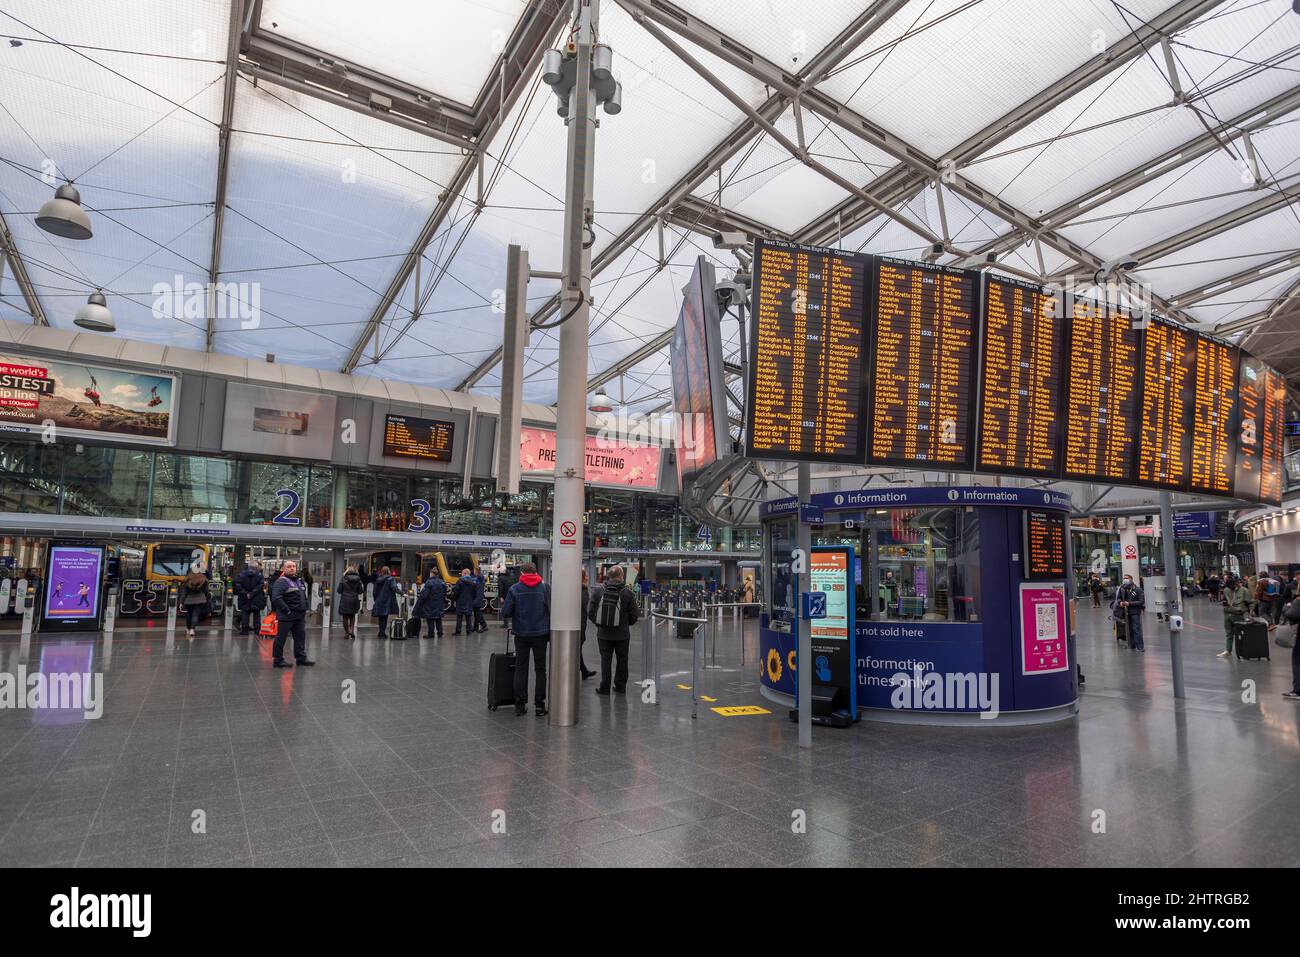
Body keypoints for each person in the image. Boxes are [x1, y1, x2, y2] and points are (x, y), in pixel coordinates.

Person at [500, 562, 550, 717]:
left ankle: (520, 705)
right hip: (541, 634)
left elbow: (505, 612)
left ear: (522, 573)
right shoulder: (545, 588)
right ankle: (540, 705)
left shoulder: (515, 589)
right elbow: (551, 608)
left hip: (521, 635)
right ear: (536, 572)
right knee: (540, 669)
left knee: (521, 669)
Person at [588, 564, 640, 695]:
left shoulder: (599, 591)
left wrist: (599, 623)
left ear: (608, 576)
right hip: (622, 635)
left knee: (605, 660)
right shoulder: (627, 593)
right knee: (622, 660)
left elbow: (591, 612)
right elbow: (634, 615)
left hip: (603, 634)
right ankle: (620, 686)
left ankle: (604, 687)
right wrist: (625, 623)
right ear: (621, 577)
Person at [270, 559, 313, 668]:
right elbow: (276, 598)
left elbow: (303, 595)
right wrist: (287, 610)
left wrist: (305, 607)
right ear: (283, 569)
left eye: (293, 566)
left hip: (299, 615)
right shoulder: (281, 581)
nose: (292, 568)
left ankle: (301, 658)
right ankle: (278, 660)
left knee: (300, 637)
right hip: (287, 615)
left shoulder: (298, 580)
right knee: (281, 638)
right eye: (289, 566)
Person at [1111, 573, 1145, 652]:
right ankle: (1131, 645)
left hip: (1135, 612)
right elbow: (1118, 598)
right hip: (1126, 612)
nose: (1125, 580)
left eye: (1127, 578)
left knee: (1136, 629)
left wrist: (1129, 603)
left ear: (1131, 579)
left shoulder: (1138, 589)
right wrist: (1120, 603)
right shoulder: (1122, 588)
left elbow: (1141, 601)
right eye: (1124, 578)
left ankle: (1140, 647)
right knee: (1129, 630)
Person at [1219, 573, 1250, 659]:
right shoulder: (1226, 590)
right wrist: (1223, 603)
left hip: (1238, 615)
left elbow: (1249, 603)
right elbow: (1224, 600)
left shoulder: (1244, 590)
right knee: (1229, 633)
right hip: (1228, 614)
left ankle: (1243, 651)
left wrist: (1247, 615)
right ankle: (1228, 650)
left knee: (1240, 634)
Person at [234, 561, 266, 636]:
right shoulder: (259, 575)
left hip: (244, 597)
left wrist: (245, 593)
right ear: (256, 567)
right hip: (256, 597)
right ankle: (257, 630)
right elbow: (260, 585)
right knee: (256, 613)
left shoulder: (241, 574)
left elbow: (237, 584)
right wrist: (252, 593)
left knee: (245, 613)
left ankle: (245, 630)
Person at [412, 572, 446, 639]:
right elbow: (444, 593)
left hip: (430, 604)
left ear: (432, 574)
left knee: (430, 619)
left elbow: (424, 595)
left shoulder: (429, 582)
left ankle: (431, 634)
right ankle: (440, 633)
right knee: (438, 618)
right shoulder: (442, 582)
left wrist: (419, 603)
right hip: (439, 604)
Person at [335, 565, 364, 640]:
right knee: (352, 615)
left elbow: (339, 590)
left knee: (345, 616)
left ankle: (347, 633)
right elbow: (360, 591)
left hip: (345, 599)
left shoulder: (343, 579)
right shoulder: (358, 579)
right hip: (354, 599)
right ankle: (352, 631)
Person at [371, 565, 399, 639]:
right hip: (387, 600)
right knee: (385, 616)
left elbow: (374, 591)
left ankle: (381, 632)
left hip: (379, 600)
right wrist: (402, 593)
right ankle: (382, 633)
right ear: (388, 571)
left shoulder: (378, 579)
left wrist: (375, 599)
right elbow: (394, 588)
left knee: (381, 617)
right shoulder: (390, 579)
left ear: (382, 571)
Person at [180, 567, 209, 638]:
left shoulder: (187, 580)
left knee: (189, 614)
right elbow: (206, 591)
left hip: (189, 600)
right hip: (200, 600)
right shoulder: (203, 580)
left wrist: (181, 602)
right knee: (195, 615)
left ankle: (188, 629)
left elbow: (184, 593)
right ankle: (192, 629)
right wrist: (206, 597)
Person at [579, 569, 596, 680]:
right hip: (580, 623)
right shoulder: (583, 590)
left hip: (578, 623)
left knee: (576, 648)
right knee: (577, 648)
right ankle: (584, 671)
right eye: (586, 576)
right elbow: (585, 609)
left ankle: (584, 670)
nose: (588, 577)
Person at [452, 568, 476, 635]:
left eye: (462, 573)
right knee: (468, 617)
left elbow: (456, 592)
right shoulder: (473, 582)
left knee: (459, 617)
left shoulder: (459, 581)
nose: (461, 574)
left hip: (460, 601)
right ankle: (469, 631)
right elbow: (475, 593)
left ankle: (458, 631)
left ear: (465, 573)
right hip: (469, 602)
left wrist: (455, 599)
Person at [472, 569, 487, 633]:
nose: (473, 572)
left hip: (477, 598)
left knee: (478, 613)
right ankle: (475, 626)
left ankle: (484, 625)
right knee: (476, 613)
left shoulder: (480, 578)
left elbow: (479, 577)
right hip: (478, 597)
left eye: (474, 571)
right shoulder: (478, 579)